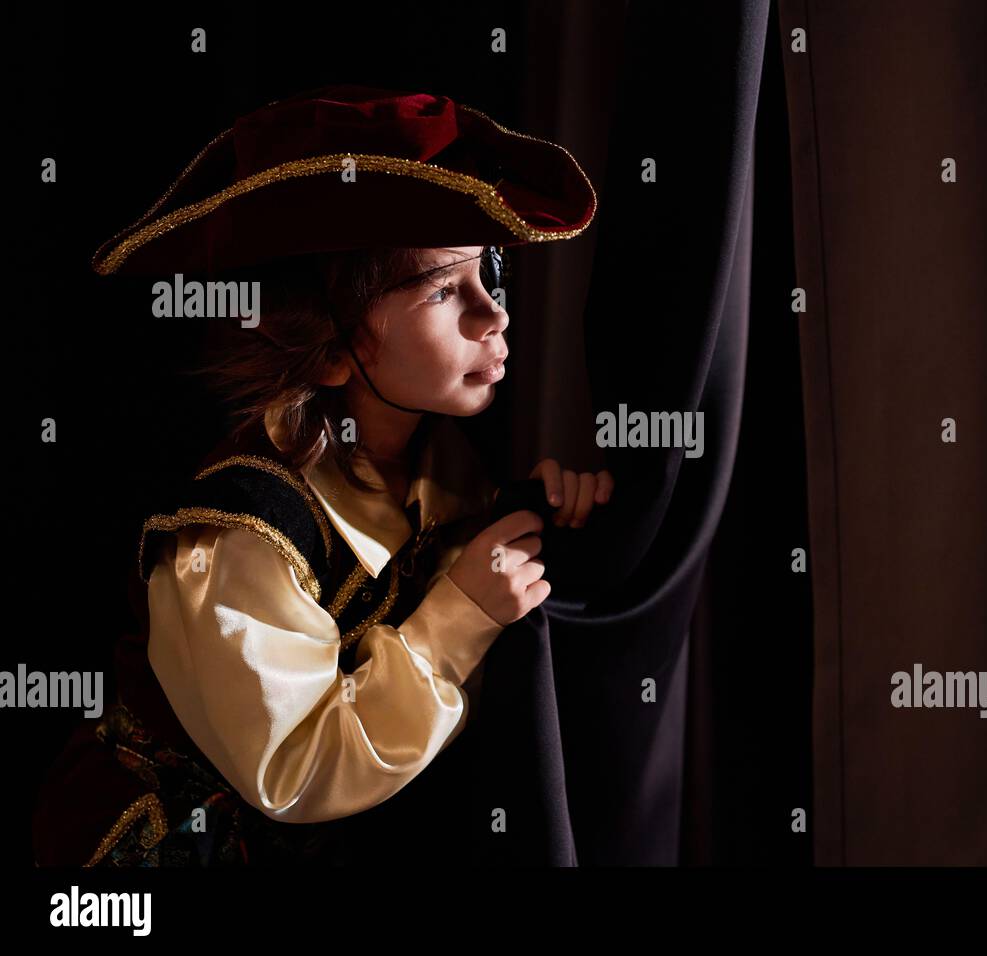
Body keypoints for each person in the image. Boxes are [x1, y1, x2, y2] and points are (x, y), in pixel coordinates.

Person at [32, 85, 610, 866]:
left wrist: (535, 512)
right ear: (331, 348)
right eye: (444, 290)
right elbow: (299, 767)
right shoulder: (238, 534)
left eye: (489, 273)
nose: (494, 313)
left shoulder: (442, 463)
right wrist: (462, 611)